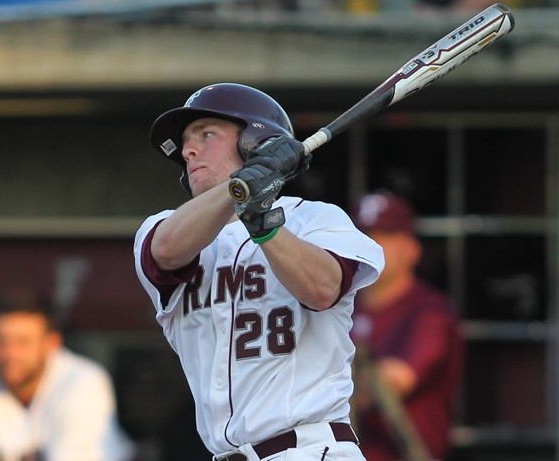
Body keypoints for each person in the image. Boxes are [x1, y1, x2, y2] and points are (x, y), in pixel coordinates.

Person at [133, 82, 385, 461]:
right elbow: (166, 252)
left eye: (206, 134)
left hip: (311, 448)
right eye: (186, 142)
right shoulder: (166, 227)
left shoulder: (314, 219)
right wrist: (242, 188)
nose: (188, 149)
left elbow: (322, 288)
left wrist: (262, 222)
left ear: (256, 142)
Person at [0, 289, 135, 461]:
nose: (10, 353)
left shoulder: (85, 381)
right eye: (0, 340)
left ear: (52, 343)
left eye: (23, 342)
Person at [350, 191, 463, 461]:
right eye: (363, 235)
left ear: (412, 249)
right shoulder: (333, 304)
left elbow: (394, 381)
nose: (371, 244)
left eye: (384, 237)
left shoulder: (431, 310)